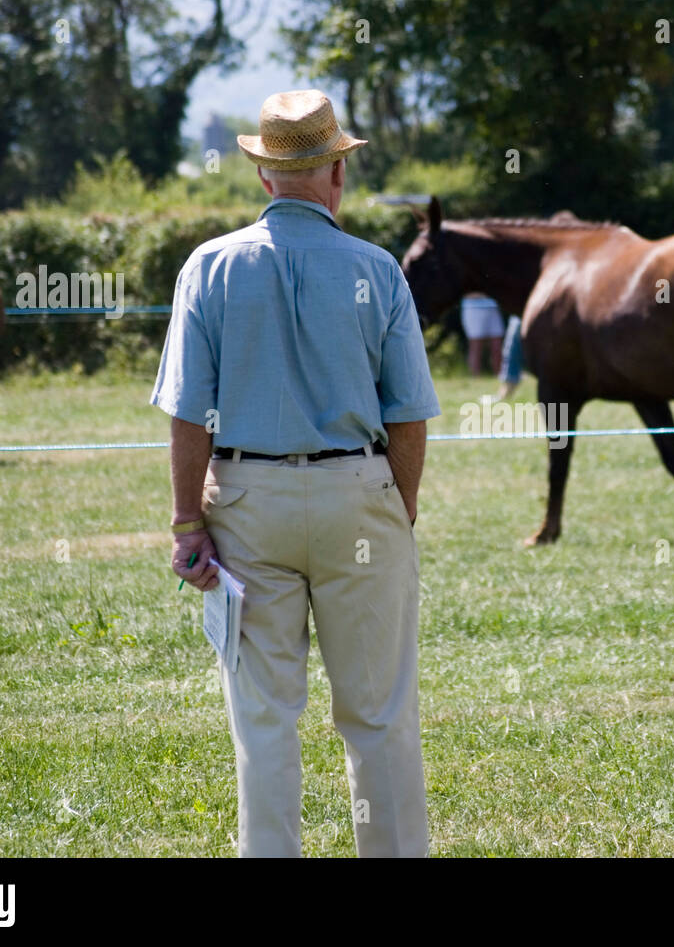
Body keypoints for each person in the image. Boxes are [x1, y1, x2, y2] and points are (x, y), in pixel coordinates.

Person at [150, 89, 440, 857]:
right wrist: (394, 509)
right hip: (360, 494)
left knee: (265, 716)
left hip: (246, 501)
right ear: (337, 171)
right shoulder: (376, 270)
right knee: (377, 714)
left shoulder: (208, 267)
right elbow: (408, 412)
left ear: (262, 176)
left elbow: (187, 415)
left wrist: (187, 522)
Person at [460, 291, 504, 375]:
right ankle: (475, 377)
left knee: (497, 346)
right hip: (473, 308)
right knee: (476, 346)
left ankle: (500, 376)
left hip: (493, 308)